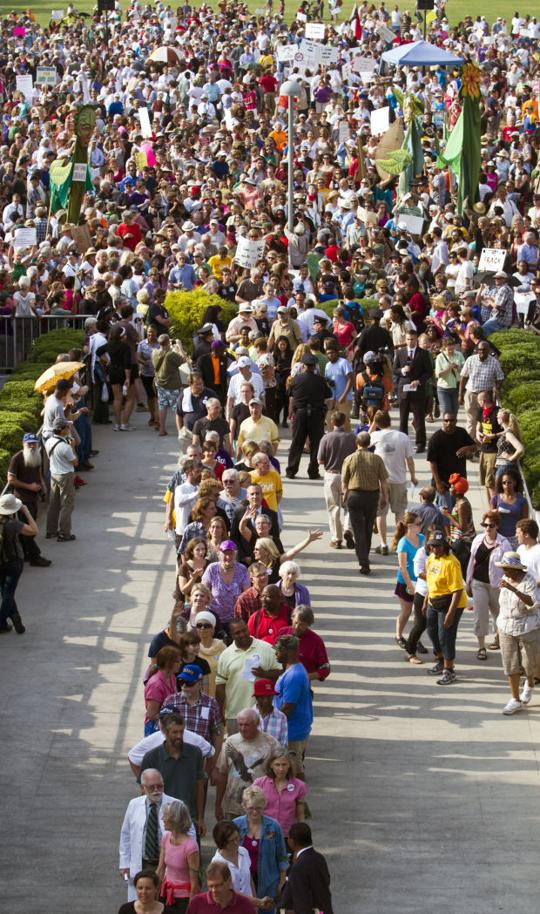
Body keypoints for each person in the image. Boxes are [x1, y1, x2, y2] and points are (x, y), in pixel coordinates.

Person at [139, 712, 206, 838]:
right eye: (175, 732)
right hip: (162, 820)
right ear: (165, 732)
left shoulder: (195, 754)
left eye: (181, 732)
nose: (179, 736)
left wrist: (201, 818)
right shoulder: (151, 757)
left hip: (189, 818)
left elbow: (200, 787)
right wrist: (145, 819)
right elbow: (144, 792)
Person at [119, 769, 178, 900]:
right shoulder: (133, 804)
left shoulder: (176, 805)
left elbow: (189, 836)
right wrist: (124, 864)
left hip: (166, 864)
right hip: (142, 863)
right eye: (151, 787)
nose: (156, 790)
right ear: (142, 788)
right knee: (141, 901)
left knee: (162, 902)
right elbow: (126, 835)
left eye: (160, 786)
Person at [215, 620, 281, 734]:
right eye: (237, 633)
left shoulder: (267, 648)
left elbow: (282, 672)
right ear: (231, 635)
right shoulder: (225, 655)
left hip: (262, 714)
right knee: (237, 745)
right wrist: (219, 711)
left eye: (244, 630)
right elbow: (220, 686)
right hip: (235, 714)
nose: (242, 634)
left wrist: (265, 674)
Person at [495, 552, 540, 715]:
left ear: (515, 569)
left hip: (527, 627)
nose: (504, 572)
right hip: (506, 626)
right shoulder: (506, 578)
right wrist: (498, 627)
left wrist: (513, 589)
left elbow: (532, 602)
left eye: (506, 568)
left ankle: (529, 684)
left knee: (529, 665)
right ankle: (515, 699)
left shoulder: (528, 580)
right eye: (503, 568)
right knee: (511, 664)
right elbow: (503, 605)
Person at [214, 708, 280, 819]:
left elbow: (280, 776)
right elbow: (222, 774)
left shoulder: (271, 743)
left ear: (257, 724)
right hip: (233, 807)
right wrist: (218, 804)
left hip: (260, 807)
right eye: (240, 725)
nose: (243, 729)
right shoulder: (231, 742)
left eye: (247, 725)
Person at [232, 785, 288, 910]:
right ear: (244, 806)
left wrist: (282, 881)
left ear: (264, 806)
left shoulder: (274, 826)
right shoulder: (235, 825)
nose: (255, 812)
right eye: (251, 808)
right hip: (242, 883)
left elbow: (282, 855)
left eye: (258, 808)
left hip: (268, 883)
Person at [465, 511, 511, 661]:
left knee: (499, 616)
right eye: (485, 525)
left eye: (491, 525)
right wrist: (468, 582)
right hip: (478, 583)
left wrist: (507, 584)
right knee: (480, 615)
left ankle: (498, 638)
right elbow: (472, 561)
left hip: (496, 586)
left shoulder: (504, 543)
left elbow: (509, 567)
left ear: (497, 526)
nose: (487, 528)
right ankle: (481, 647)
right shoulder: (478, 539)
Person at [161, 664, 223, 774]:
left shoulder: (211, 704)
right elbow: (160, 731)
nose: (184, 686)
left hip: (199, 762)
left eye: (189, 683)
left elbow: (217, 735)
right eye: (181, 682)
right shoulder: (170, 701)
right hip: (172, 760)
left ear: (199, 683)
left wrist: (211, 765)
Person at [341, 432, 389, 575]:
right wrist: (385, 497)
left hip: (355, 496)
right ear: (369, 444)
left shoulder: (349, 458)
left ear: (357, 443)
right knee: (368, 528)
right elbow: (383, 481)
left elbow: (344, 481)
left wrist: (344, 495)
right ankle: (365, 555)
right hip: (372, 497)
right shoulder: (377, 459)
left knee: (358, 530)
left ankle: (363, 561)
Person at [370, 411, 417, 555]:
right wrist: (413, 476)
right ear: (390, 420)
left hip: (381, 481)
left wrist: (373, 423)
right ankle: (399, 544)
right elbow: (409, 460)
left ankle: (383, 544)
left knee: (381, 513)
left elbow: (363, 439)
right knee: (400, 513)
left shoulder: (376, 435)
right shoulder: (402, 437)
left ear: (378, 423)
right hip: (399, 480)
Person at [425, 530, 467, 686]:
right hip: (433, 601)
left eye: (438, 546)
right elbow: (430, 580)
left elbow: (457, 590)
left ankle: (449, 670)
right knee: (431, 631)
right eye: (432, 546)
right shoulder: (431, 559)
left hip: (450, 603)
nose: (435, 549)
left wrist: (450, 613)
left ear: (445, 546)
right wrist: (426, 601)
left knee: (446, 636)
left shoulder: (451, 562)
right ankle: (441, 660)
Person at [286, 353, 332, 480]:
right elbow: (328, 395)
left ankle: (291, 470)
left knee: (297, 442)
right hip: (316, 414)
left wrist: (291, 411)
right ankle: (313, 471)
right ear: (314, 366)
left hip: (300, 413)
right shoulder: (321, 380)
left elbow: (291, 396)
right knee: (316, 444)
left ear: (303, 365)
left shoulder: (296, 379)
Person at [7, 433, 51, 567]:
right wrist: (29, 486)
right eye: (29, 443)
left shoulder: (36, 455)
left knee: (29, 526)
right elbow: (11, 479)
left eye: (34, 443)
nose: (32, 446)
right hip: (22, 500)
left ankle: (26, 554)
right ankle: (34, 556)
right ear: (23, 444)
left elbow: (38, 473)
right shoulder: (17, 458)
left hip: (33, 498)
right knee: (28, 529)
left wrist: (42, 485)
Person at [273, 634, 313, 779]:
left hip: (292, 733)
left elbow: (288, 708)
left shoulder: (293, 676)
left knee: (294, 771)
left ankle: (300, 794)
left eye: (278, 650)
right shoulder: (293, 670)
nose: (275, 654)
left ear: (289, 651)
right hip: (294, 729)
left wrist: (272, 725)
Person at [317, 410, 356, 549]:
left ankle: (336, 538)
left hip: (332, 475)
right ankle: (348, 529)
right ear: (345, 422)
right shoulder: (352, 437)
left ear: (331, 422)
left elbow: (320, 460)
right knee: (349, 506)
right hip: (349, 475)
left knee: (334, 507)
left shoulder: (326, 438)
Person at [0, 492, 38, 635]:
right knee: (9, 593)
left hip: (1, 562)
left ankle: (14, 616)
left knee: (5, 592)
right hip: (14, 562)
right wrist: (26, 512)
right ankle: (1, 621)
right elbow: (34, 530)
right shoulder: (13, 524)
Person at [278, 822, 334, 914]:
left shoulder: (298, 866)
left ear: (292, 841)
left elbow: (301, 901)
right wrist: (275, 900)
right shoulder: (320, 858)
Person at [392, 328, 433, 453]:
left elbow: (429, 372)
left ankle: (421, 444)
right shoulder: (400, 352)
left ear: (416, 340)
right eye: (408, 339)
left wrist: (419, 381)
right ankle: (402, 443)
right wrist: (402, 370)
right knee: (403, 419)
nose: (410, 341)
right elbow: (394, 369)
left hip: (417, 389)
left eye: (413, 339)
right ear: (406, 339)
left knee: (419, 418)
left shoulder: (423, 353)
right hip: (404, 389)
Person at [211, 821, 268, 907]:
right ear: (222, 842)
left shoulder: (243, 852)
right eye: (232, 840)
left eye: (237, 838)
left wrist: (255, 904)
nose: (236, 842)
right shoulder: (217, 863)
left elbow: (249, 880)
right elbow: (230, 892)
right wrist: (257, 902)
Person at [427, 414, 477, 510]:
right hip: (444, 483)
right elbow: (432, 462)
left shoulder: (461, 433)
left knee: (457, 512)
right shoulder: (435, 439)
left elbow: (475, 447)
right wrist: (438, 483)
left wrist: (467, 448)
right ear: (442, 421)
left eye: (451, 420)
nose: (449, 423)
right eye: (446, 420)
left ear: (456, 421)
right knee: (445, 513)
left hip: (459, 482)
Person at [156, 799, 199, 912]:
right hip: (165, 893)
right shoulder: (166, 838)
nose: (162, 819)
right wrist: (154, 895)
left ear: (174, 819)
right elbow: (160, 870)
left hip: (183, 899)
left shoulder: (190, 846)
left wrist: (191, 908)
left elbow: (194, 882)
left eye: (165, 816)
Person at [253, 752, 307, 837]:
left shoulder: (299, 785)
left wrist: (302, 831)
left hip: (287, 833)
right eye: (277, 765)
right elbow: (252, 809)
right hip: (264, 831)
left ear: (289, 765)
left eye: (284, 764)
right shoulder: (259, 783)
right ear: (271, 765)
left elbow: (300, 813)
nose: (281, 769)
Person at [393, 513, 425, 653]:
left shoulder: (422, 538)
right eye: (418, 523)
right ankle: (399, 636)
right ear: (410, 526)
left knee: (419, 614)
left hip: (420, 581)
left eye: (421, 522)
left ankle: (415, 639)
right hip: (405, 582)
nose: (421, 525)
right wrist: (410, 586)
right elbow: (403, 567)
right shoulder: (403, 543)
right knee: (406, 611)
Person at [202, 541, 251, 632]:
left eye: (231, 553)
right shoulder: (212, 569)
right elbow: (203, 590)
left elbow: (247, 594)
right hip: (214, 619)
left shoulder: (242, 569)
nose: (228, 557)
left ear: (235, 554)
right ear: (219, 554)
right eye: (225, 554)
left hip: (236, 619)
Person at [459, 342, 505, 438]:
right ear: (477, 350)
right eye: (480, 350)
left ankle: (482, 443)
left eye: (484, 350)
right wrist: (460, 394)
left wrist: (496, 387)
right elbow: (463, 377)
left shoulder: (494, 362)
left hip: (486, 396)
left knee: (485, 420)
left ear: (488, 351)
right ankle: (470, 443)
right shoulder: (470, 360)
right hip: (471, 394)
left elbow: (500, 377)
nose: (482, 352)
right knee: (471, 420)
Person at [44, 417, 78, 542]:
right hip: (65, 476)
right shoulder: (65, 447)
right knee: (67, 505)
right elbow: (75, 462)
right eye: (67, 427)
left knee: (53, 504)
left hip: (54, 474)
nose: (69, 428)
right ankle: (64, 533)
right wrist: (72, 447)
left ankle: (50, 531)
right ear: (62, 430)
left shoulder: (49, 441)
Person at [281, 606, 331, 683]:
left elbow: (325, 669)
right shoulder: (282, 633)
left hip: (300, 684)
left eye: (302, 625)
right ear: (292, 617)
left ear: (308, 624)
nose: (297, 627)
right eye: (296, 622)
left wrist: (304, 677)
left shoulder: (316, 641)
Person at [186, 861, 256, 914]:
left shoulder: (245, 905)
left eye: (218, 885)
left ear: (229, 881)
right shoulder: (196, 903)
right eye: (210, 886)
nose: (213, 890)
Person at [152, 335, 186, 437]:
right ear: (168, 342)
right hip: (173, 385)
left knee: (162, 406)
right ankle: (180, 431)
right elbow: (184, 359)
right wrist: (180, 347)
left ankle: (162, 430)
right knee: (177, 408)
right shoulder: (171, 355)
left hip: (159, 383)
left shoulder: (154, 352)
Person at [144, 646, 182, 735]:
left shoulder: (171, 677)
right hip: (156, 728)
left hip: (169, 724)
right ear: (169, 663)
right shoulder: (155, 685)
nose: (181, 663)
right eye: (178, 661)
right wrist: (172, 718)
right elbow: (151, 714)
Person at [490, 471, 529, 549]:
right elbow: (490, 518)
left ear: (515, 483)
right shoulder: (496, 499)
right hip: (499, 538)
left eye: (509, 482)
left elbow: (525, 522)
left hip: (515, 539)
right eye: (504, 483)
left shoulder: (522, 501)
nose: (506, 485)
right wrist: (494, 514)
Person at [194, 611, 226, 697]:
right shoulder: (192, 648)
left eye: (207, 626)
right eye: (199, 625)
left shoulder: (221, 646)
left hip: (220, 693)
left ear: (213, 629)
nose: (202, 628)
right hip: (199, 695)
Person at [252, 678, 289, 747]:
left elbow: (283, 744)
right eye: (262, 697)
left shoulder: (281, 717)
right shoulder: (248, 716)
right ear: (256, 697)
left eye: (269, 696)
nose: (266, 700)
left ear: (273, 696)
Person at [434, 336, 465, 419]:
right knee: (447, 412)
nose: (451, 349)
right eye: (448, 346)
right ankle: (446, 426)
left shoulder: (459, 355)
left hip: (456, 388)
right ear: (444, 347)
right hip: (443, 389)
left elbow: (465, 371)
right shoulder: (440, 357)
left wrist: (458, 367)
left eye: (452, 346)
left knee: (455, 412)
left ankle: (453, 427)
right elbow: (438, 375)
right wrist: (449, 368)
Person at [516, 519, 540, 602]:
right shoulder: (520, 549)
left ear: (526, 534)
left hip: (535, 601)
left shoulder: (538, 552)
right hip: (520, 598)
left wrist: (526, 589)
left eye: (518, 533)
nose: (516, 535)